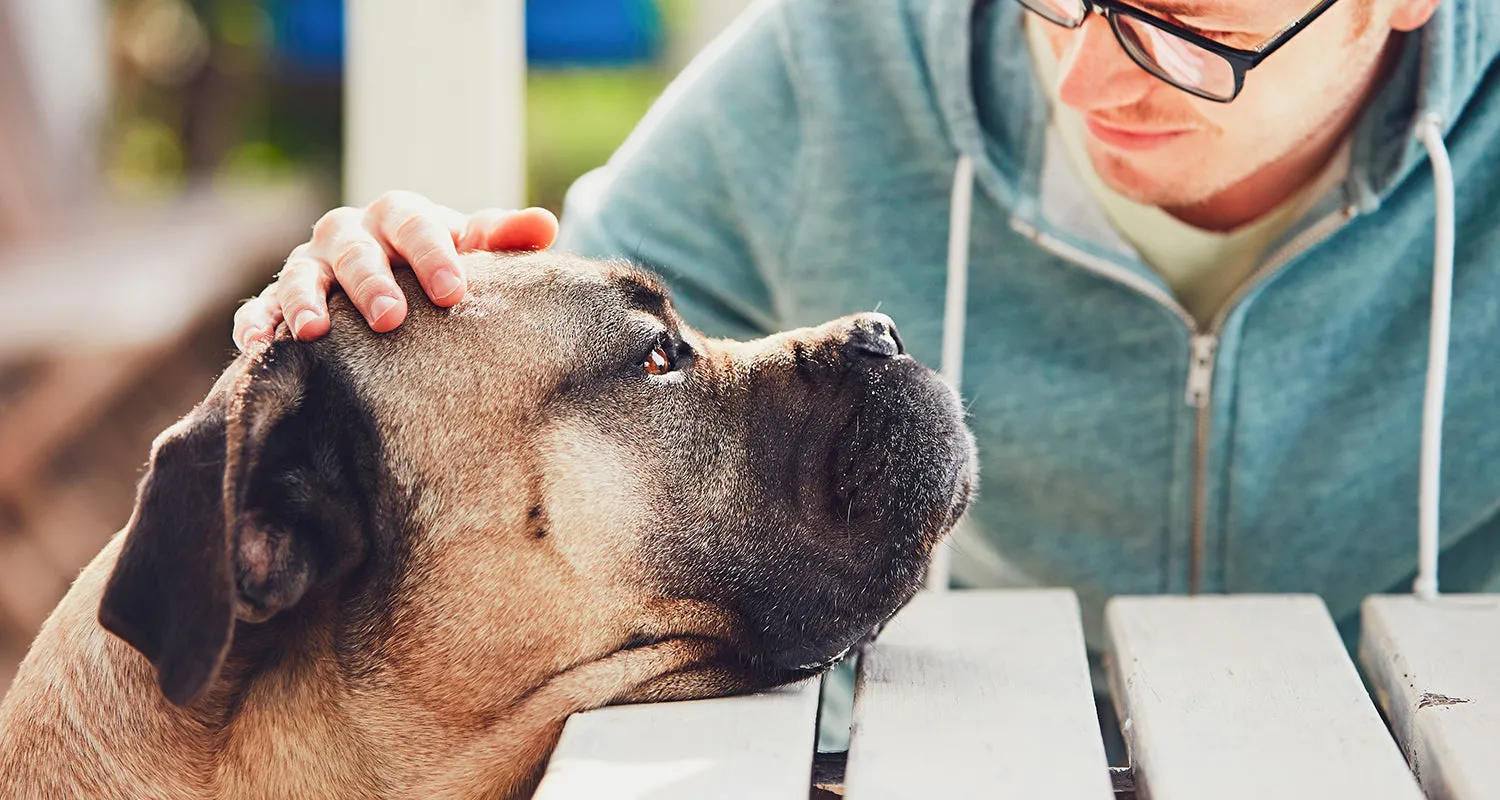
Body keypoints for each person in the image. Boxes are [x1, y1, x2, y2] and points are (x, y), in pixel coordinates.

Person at [232, 0, 1497, 689]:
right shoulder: (839, 60)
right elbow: (558, 354)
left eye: (1190, 22)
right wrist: (390, 320)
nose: (1082, 84)